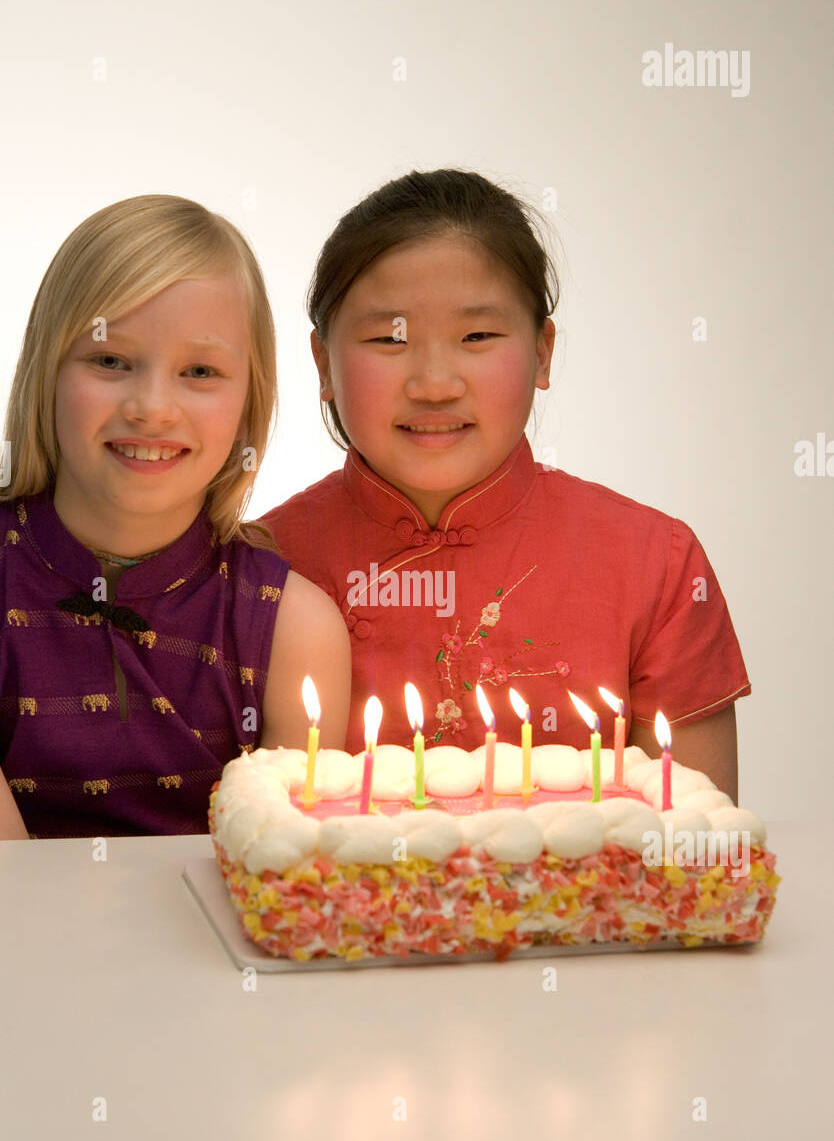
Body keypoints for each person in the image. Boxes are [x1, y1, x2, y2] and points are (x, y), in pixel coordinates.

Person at [261, 169, 749, 803]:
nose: (434, 383)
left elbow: (693, 850)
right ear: (323, 363)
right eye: (389, 338)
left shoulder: (657, 564)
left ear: (543, 353)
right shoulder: (258, 564)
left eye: (477, 336)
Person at [0, 195, 350, 840]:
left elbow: (286, 881)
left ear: (248, 401)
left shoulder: (293, 628)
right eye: (110, 361)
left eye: (200, 371)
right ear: (46, 372)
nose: (151, 408)